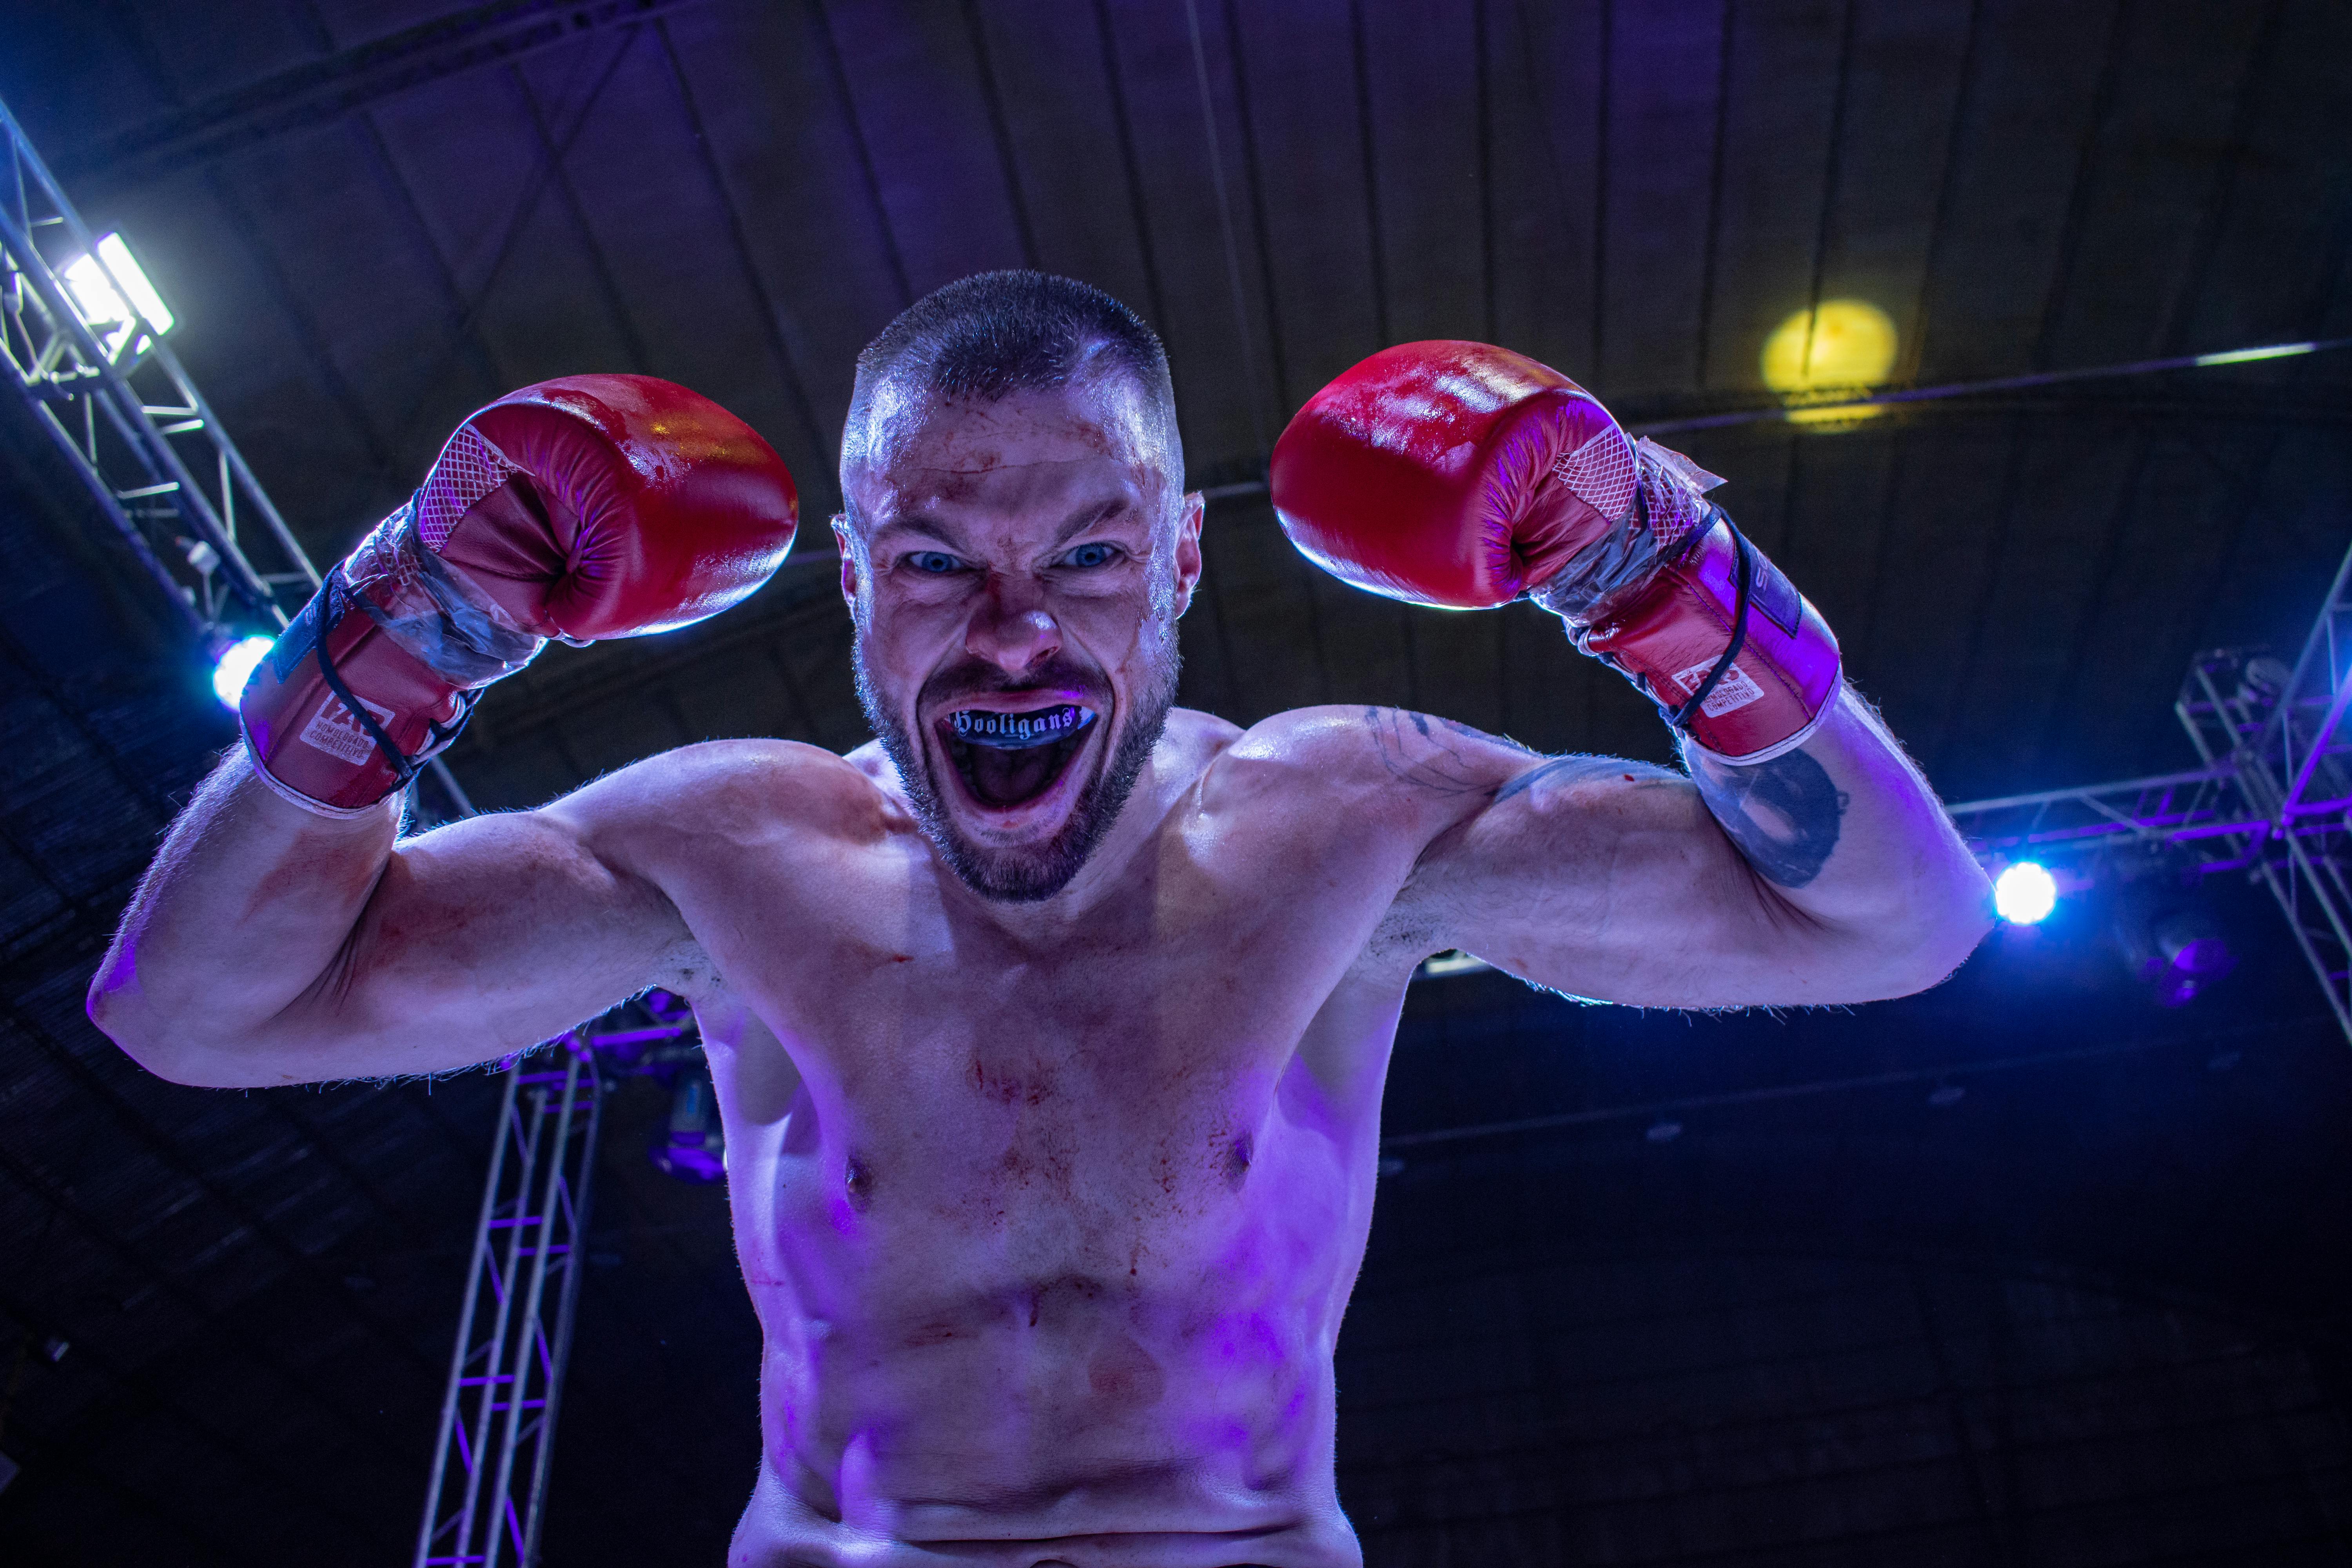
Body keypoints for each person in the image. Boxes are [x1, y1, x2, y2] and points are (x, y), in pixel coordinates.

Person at [89, 271, 1991, 1567]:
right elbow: (196, 1013)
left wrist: (1656, 568)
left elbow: (1896, 924)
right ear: (852, 579)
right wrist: (415, 619)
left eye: (1086, 554)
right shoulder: (731, 848)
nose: (1013, 631)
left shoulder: (1348, 819)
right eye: (937, 562)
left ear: (1176, 561)